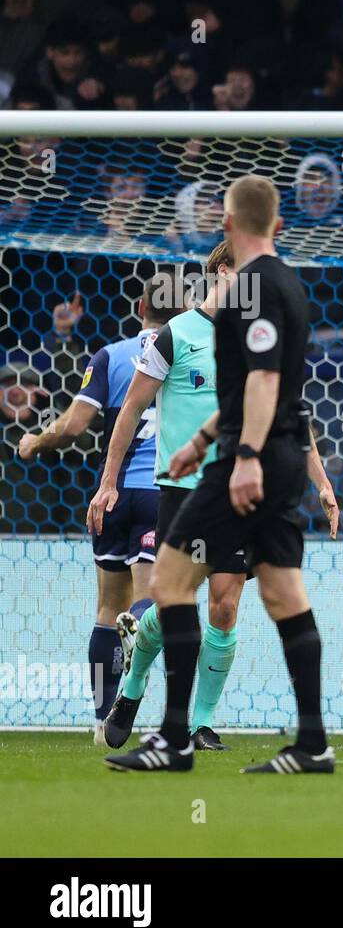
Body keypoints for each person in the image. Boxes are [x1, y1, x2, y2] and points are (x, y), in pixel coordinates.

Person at [103, 175, 332, 774]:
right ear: (279, 226)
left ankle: (176, 738)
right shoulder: (285, 289)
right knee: (282, 593)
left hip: (246, 463)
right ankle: (311, 744)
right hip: (257, 459)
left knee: (176, 586)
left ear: (229, 226)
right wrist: (203, 440)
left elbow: (262, 382)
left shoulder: (257, 289)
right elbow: (261, 388)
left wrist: (243, 455)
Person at [16, 276, 177, 744]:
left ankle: (103, 718)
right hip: (161, 492)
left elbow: (74, 427)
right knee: (150, 604)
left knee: (107, 607)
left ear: (141, 306)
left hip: (112, 493)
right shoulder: (189, 353)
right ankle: (135, 693)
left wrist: (35, 442)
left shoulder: (112, 355)